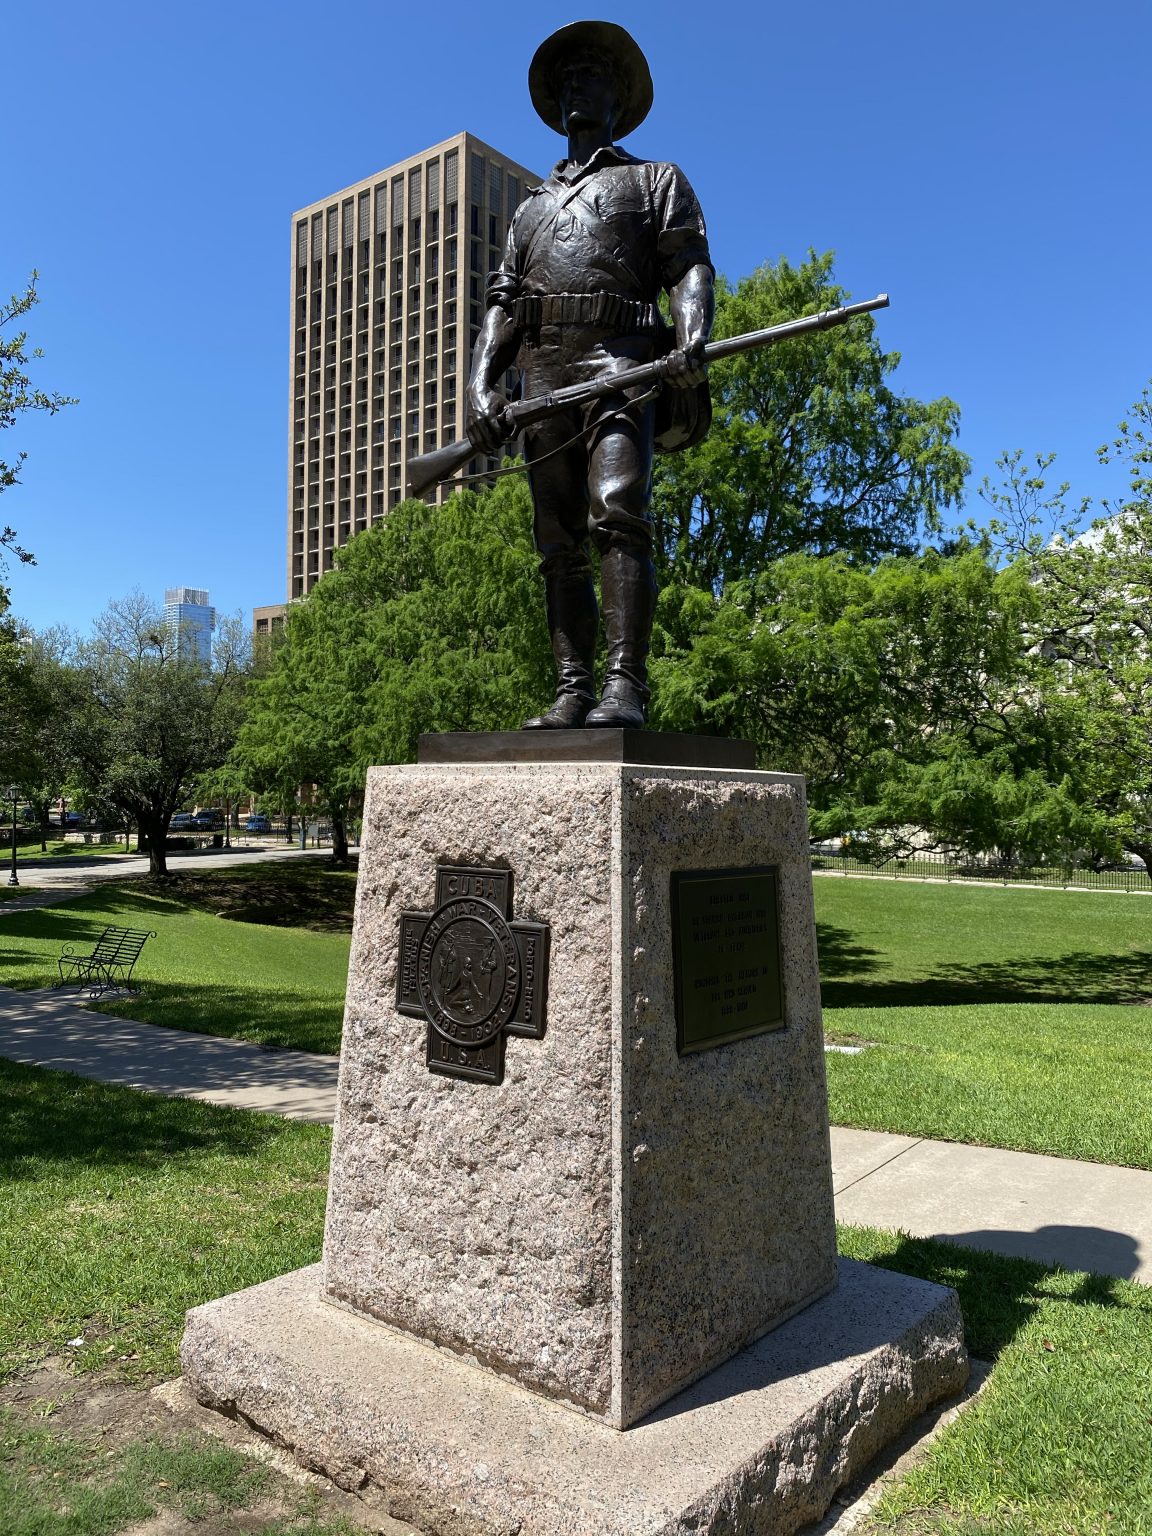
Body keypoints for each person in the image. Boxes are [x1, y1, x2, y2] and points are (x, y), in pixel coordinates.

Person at [467, 20, 715, 729]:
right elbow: (502, 305)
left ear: (620, 95)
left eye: (593, 72)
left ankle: (624, 687)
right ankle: (572, 689)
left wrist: (693, 332)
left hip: (620, 365)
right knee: (556, 543)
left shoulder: (654, 180)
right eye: (568, 75)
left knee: (618, 511)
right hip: (542, 377)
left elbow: (689, 266)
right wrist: (485, 384)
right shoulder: (528, 211)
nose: (577, 82)